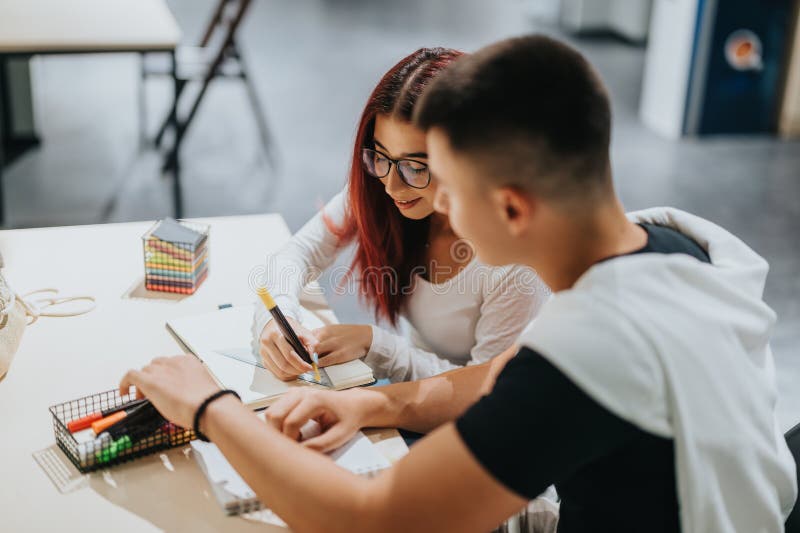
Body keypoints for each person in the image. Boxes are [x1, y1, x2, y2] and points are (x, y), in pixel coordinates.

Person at [120, 35, 797, 532]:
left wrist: (211, 406)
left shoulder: (587, 357)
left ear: (510, 207)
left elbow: (371, 520)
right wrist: (372, 406)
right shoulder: (670, 249)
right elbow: (497, 372)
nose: (434, 205)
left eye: (448, 187)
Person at [251, 47, 548, 383]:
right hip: (412, 393)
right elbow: (297, 254)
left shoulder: (513, 262)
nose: (391, 185)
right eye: (380, 156)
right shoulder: (383, 186)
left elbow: (486, 392)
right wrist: (276, 319)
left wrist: (377, 346)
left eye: (415, 166)